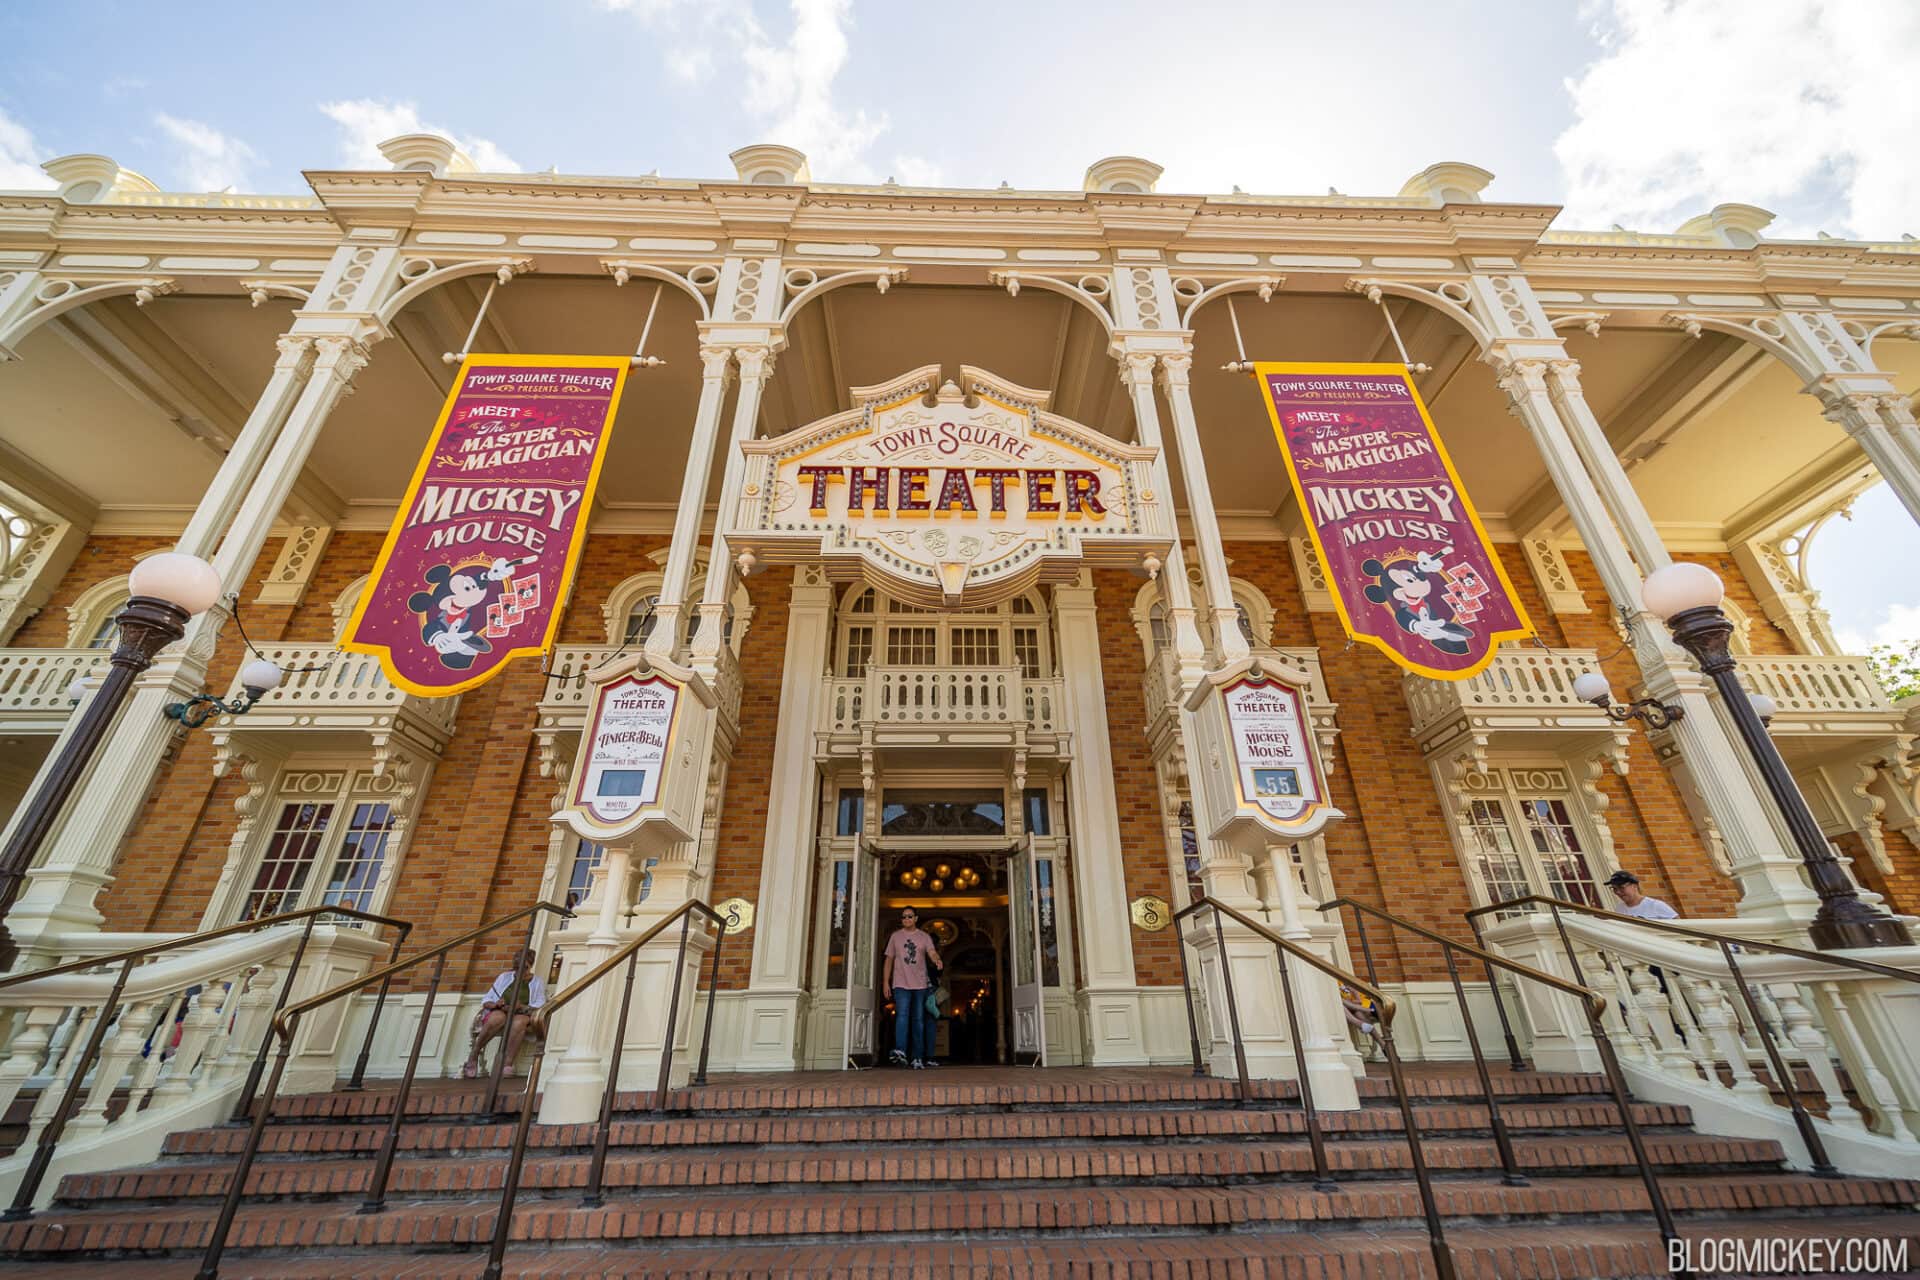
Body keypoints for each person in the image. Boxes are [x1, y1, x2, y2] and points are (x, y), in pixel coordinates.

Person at [461, 948, 546, 1079]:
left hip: (521, 1013)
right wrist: (496, 1004)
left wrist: (522, 1006)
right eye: (517, 967)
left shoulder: (537, 982)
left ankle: (507, 1064)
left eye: (524, 967)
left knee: (519, 1022)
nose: (520, 971)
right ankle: (474, 1054)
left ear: (530, 965)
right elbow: (487, 1000)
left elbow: (540, 1005)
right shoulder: (504, 977)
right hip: (500, 1011)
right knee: (497, 1018)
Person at [881, 906, 942, 1068]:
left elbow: (931, 951)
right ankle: (900, 1050)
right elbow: (888, 960)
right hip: (900, 984)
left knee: (918, 1020)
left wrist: (937, 959)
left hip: (920, 985)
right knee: (902, 1016)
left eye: (909, 916)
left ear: (916, 918)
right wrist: (885, 982)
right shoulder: (895, 937)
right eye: (903, 917)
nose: (906, 919)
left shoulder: (924, 937)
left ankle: (917, 1057)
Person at [1606, 871, 1678, 920]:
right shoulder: (1619, 909)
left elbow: (1679, 926)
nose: (1618, 892)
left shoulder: (1656, 905)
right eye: (1614, 889)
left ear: (1634, 886)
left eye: (1621, 887)